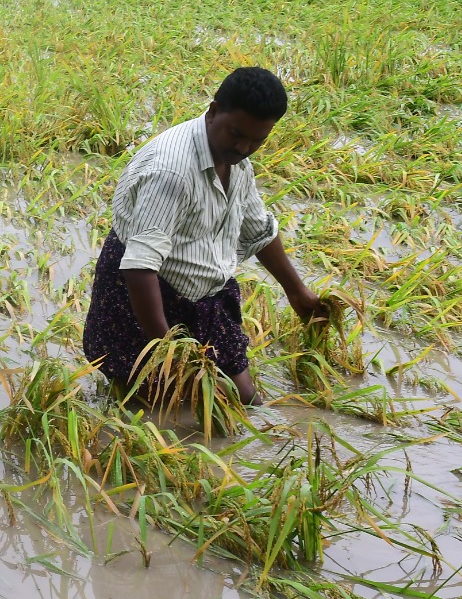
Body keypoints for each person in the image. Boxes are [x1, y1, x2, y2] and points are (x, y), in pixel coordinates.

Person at [81, 66, 325, 404]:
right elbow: (139, 267)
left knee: (243, 400)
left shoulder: (236, 160)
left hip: (206, 293)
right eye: (236, 134)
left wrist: (297, 292)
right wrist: (168, 354)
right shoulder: (171, 171)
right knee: (161, 408)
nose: (244, 147)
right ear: (212, 112)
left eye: (258, 140)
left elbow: (256, 228)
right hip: (141, 298)